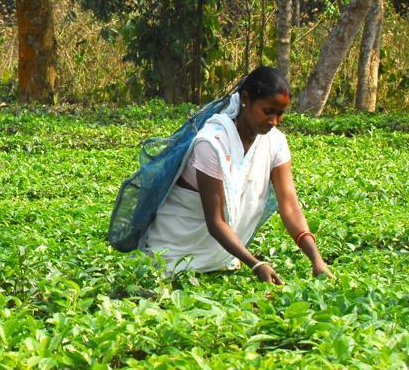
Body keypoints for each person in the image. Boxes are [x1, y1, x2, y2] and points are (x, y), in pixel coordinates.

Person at [142, 66, 332, 284]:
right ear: (245, 99)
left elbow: (289, 205)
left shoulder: (276, 143)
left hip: (222, 260)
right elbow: (215, 221)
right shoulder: (212, 143)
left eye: (280, 114)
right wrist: (256, 263)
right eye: (267, 111)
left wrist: (316, 260)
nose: (274, 121)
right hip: (172, 256)